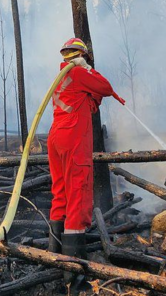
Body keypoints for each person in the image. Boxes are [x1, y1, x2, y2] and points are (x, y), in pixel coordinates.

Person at [46, 38, 124, 263]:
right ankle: (73, 269)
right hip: (73, 138)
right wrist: (88, 69)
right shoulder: (80, 74)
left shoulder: (61, 77)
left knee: (60, 192)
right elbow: (106, 87)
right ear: (81, 56)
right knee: (78, 192)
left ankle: (55, 258)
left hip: (56, 137)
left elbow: (88, 103)